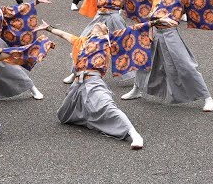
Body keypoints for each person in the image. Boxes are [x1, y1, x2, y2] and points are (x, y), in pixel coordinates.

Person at [41, 19, 151, 149]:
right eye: (96, 25)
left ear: (105, 32)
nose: (100, 24)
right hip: (77, 83)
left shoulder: (108, 40)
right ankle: (94, 119)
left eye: (103, 25)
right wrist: (48, 28)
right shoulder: (82, 41)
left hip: (93, 80)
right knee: (63, 116)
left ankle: (134, 135)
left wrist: (155, 22)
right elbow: (63, 34)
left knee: (108, 106)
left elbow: (133, 29)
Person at [122, 0, 213, 112]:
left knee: (186, 64)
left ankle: (207, 98)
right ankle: (137, 89)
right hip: (154, 30)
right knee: (144, 61)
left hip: (169, 32)